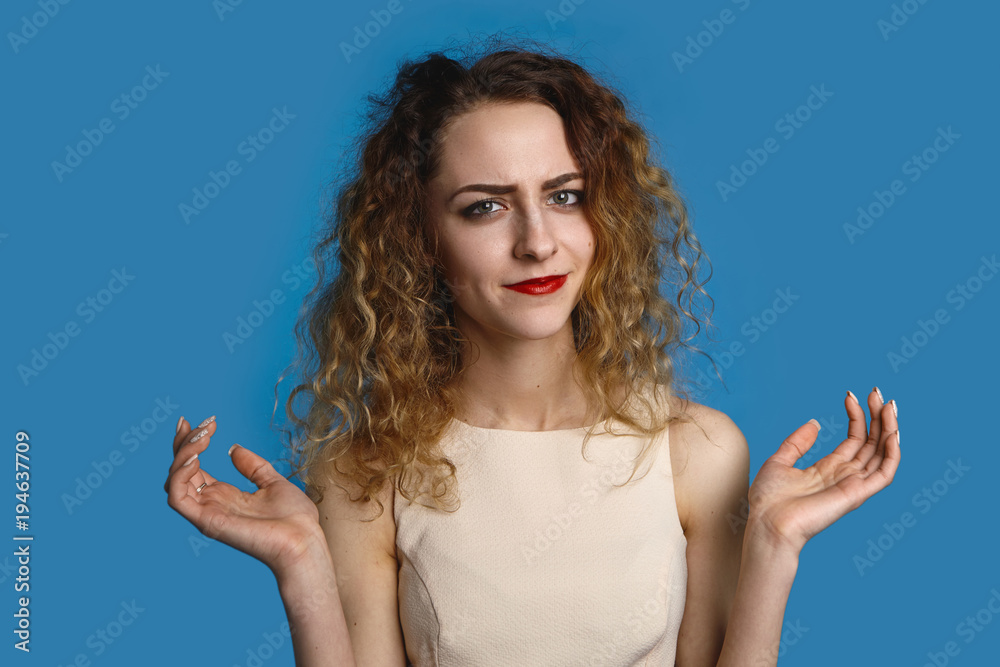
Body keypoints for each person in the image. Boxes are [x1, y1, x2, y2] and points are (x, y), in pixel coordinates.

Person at [164, 37, 901, 667]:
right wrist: (303, 571)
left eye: (565, 195)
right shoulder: (365, 471)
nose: (537, 241)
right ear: (421, 240)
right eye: (484, 206)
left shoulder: (698, 451)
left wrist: (774, 546)